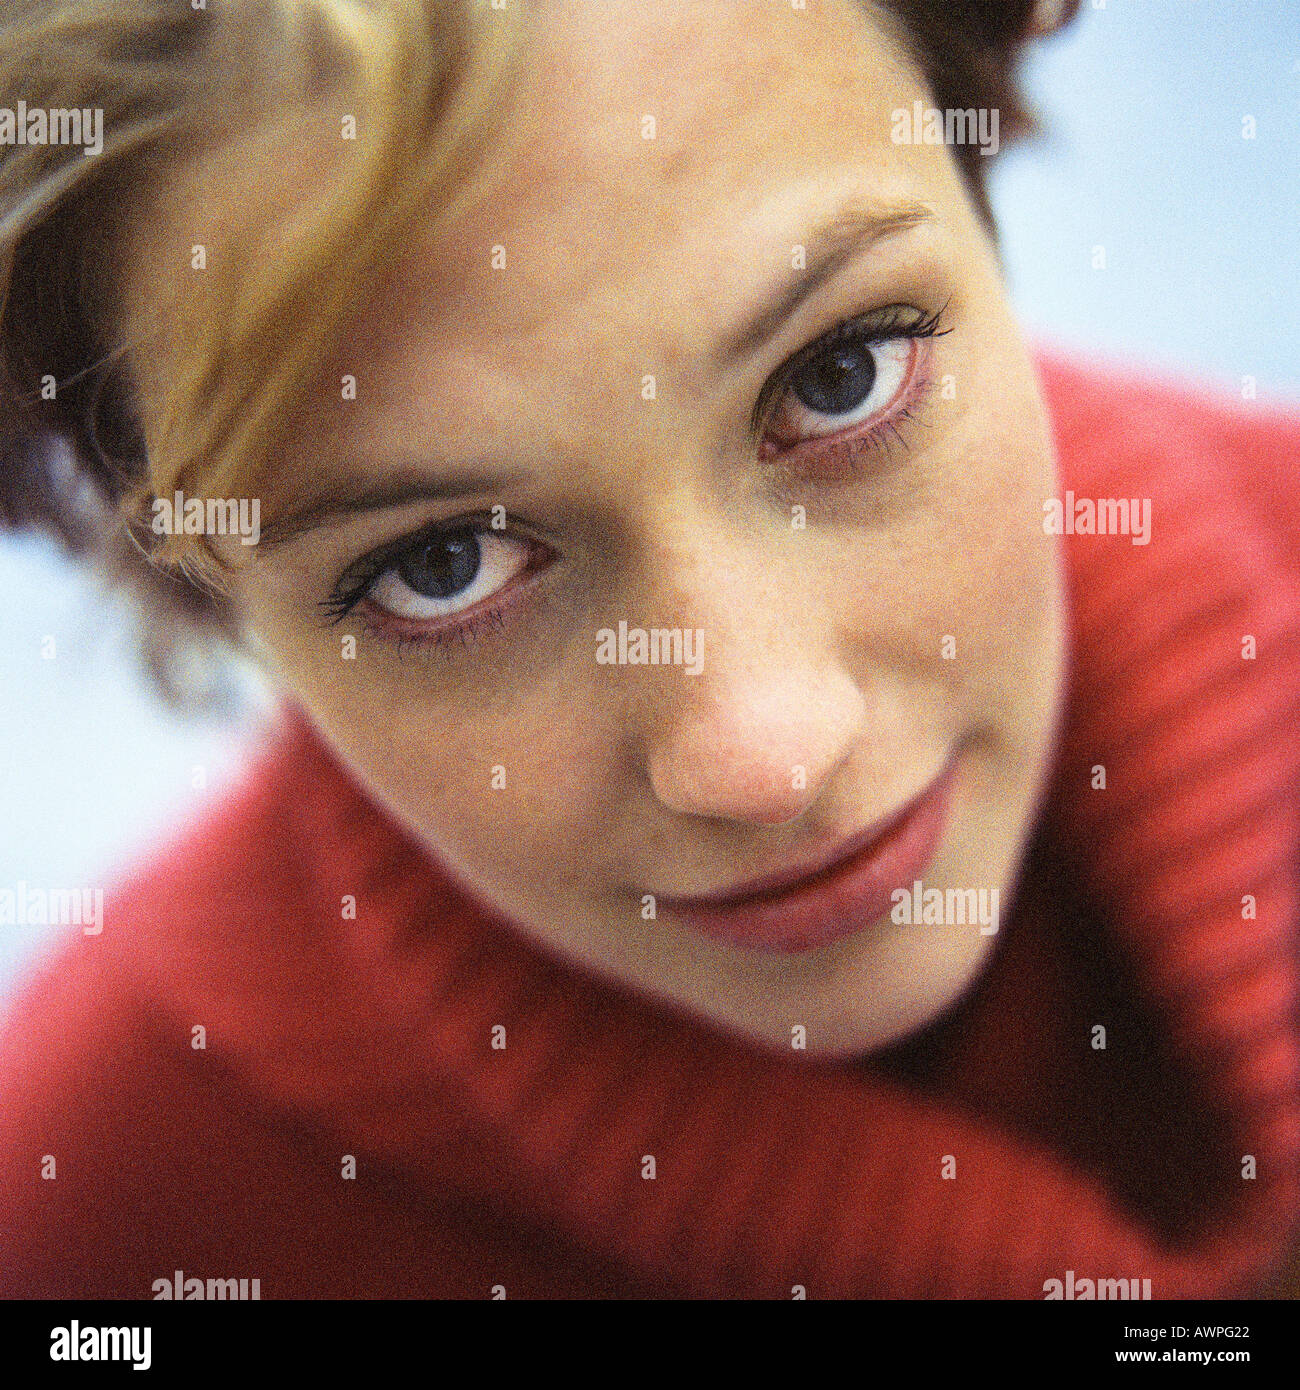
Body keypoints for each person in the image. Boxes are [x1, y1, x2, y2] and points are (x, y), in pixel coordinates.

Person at [1, 0, 1297, 1298]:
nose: (766, 755)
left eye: (841, 373)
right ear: (190, 585)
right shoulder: (90, 1225)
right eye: (442, 566)